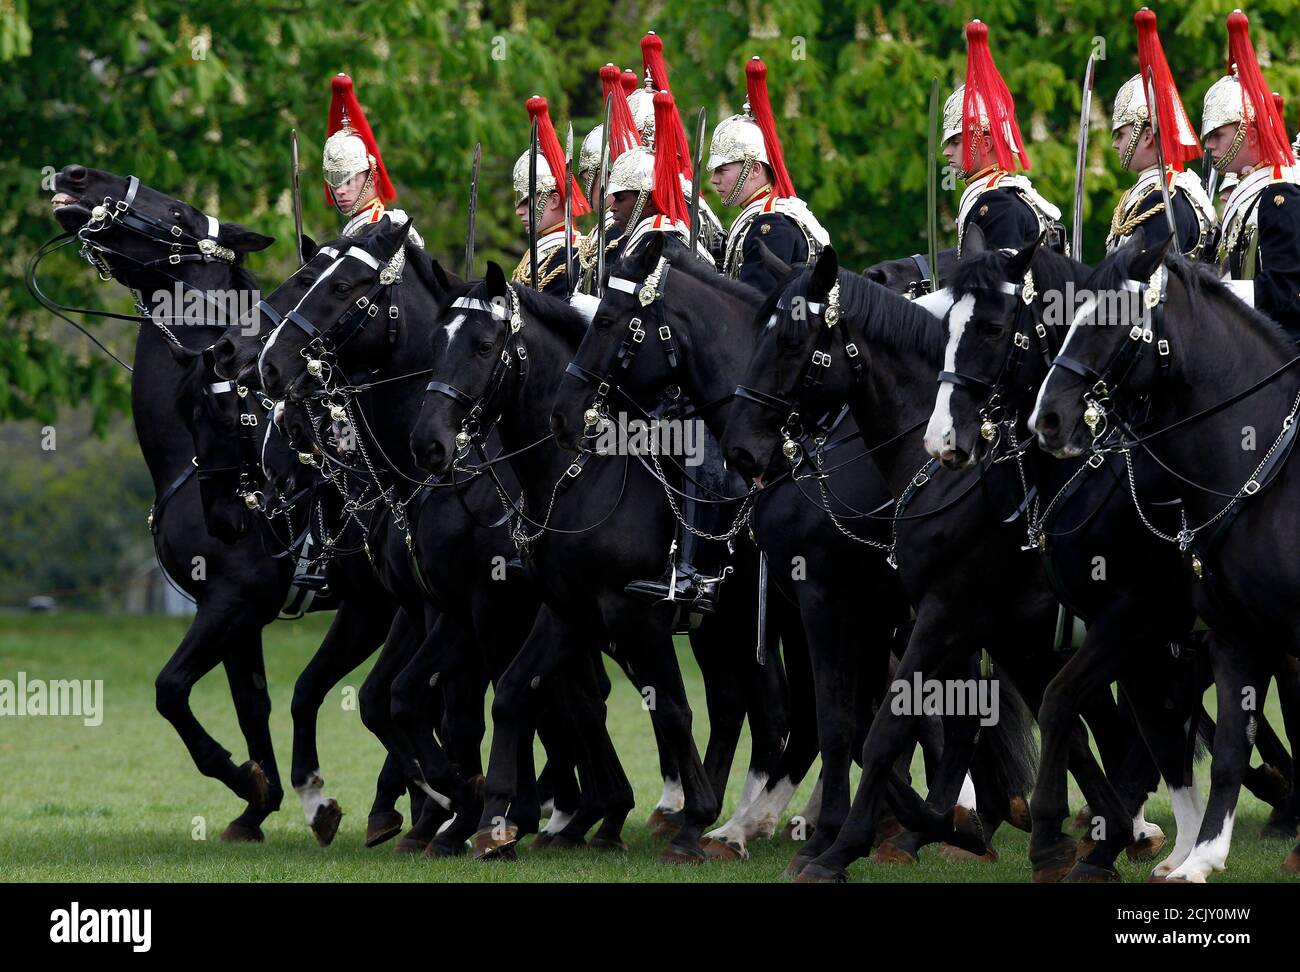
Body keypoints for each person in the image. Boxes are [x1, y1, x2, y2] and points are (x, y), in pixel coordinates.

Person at [1205, 10, 1300, 337]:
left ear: (1253, 135)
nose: (1210, 147)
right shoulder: (1247, 196)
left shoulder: (1278, 195)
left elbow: (1284, 293)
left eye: (1218, 135)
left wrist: (1211, 294)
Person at [940, 21, 1065, 257]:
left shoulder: (999, 207)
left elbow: (996, 287)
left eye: (956, 142)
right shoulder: (990, 197)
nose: (947, 152)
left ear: (985, 144)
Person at [707, 55, 830, 295]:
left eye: (722, 170)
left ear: (753, 169)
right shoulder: (764, 216)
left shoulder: (771, 225)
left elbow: (752, 306)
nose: (714, 179)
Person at [1105, 9, 1216, 259]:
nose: (1115, 145)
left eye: (1120, 135)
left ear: (1147, 135)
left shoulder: (1162, 199)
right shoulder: (1145, 195)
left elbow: (1146, 286)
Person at [322, 73, 423, 249]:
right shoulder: (352, 229)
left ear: (371, 176)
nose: (341, 191)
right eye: (335, 182)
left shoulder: (392, 227)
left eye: (348, 180)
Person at [510, 96, 591, 296]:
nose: (518, 211)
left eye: (527, 201)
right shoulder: (537, 252)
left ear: (554, 200)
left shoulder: (570, 253)